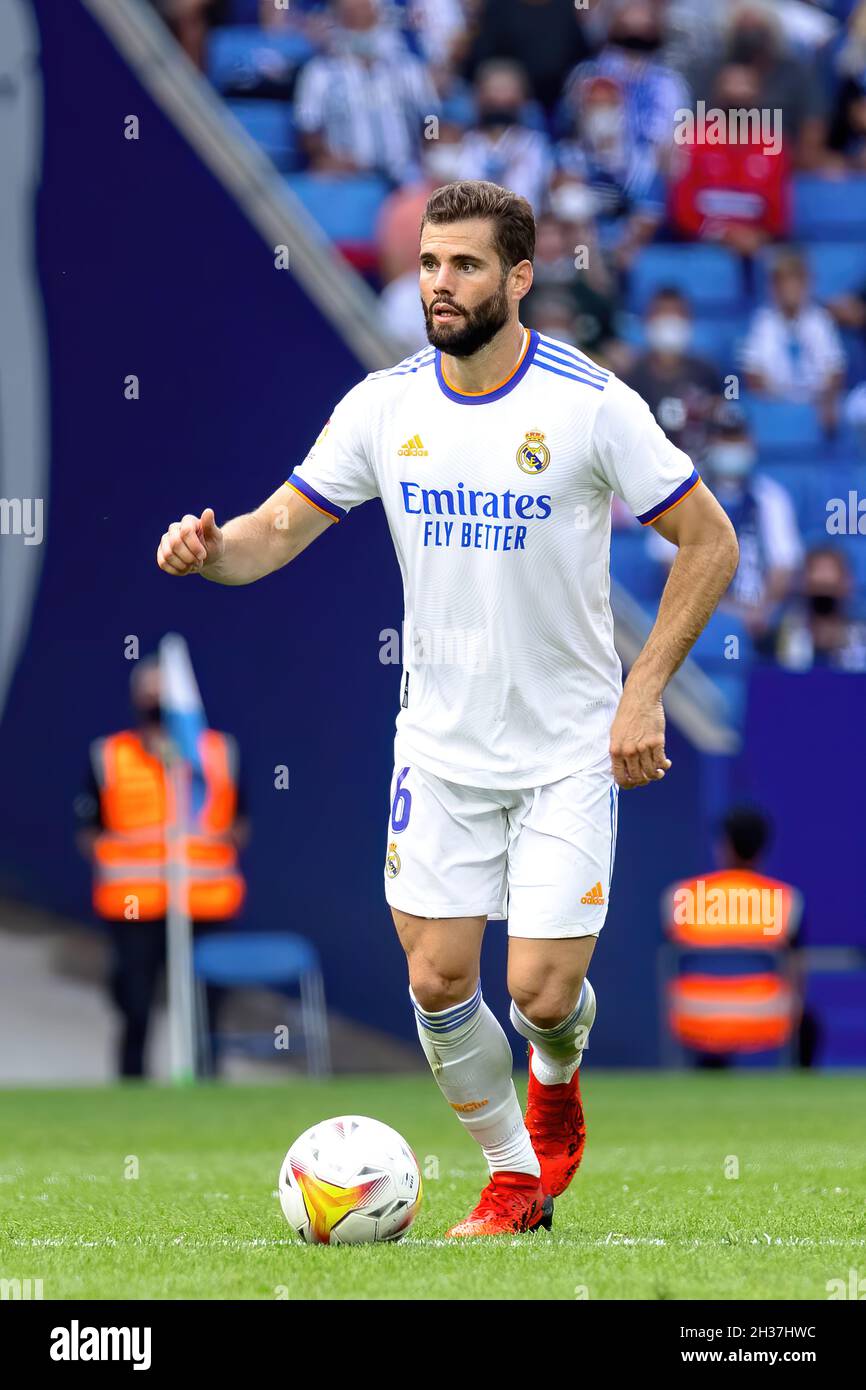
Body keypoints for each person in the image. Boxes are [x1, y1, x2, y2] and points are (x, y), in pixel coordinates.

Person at [156, 179, 738, 1237]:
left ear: (518, 278)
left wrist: (642, 689)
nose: (439, 283)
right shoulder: (384, 406)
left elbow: (710, 541)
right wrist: (210, 551)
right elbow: (273, 531)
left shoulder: (589, 404)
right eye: (428, 263)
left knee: (542, 995)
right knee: (434, 979)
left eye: (463, 265)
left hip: (567, 745)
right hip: (438, 746)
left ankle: (554, 1076)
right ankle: (514, 1178)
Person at [76, 658, 249, 1078]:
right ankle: (133, 1090)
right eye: (149, 692)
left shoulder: (216, 753)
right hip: (134, 906)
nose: (156, 701)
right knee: (134, 1005)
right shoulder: (109, 756)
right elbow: (89, 828)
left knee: (206, 1009)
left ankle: (207, 1089)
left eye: (164, 692)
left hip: (204, 903)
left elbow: (239, 822)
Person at [646, 403, 803, 643]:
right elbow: (669, 563)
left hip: (758, 620)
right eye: (723, 439)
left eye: (736, 438)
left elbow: (783, 565)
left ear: (750, 443)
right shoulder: (680, 493)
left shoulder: (771, 498)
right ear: (709, 443)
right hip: (696, 615)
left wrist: (762, 610)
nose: (730, 446)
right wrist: (726, 613)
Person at [293, 0, 438, 183]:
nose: (359, 25)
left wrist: (430, 150)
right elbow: (308, 130)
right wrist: (328, 157)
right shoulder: (318, 72)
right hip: (349, 178)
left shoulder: (409, 68)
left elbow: (431, 118)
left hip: (406, 178)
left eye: (365, 16)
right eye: (350, 17)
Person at [741, 249, 846, 430]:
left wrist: (826, 398)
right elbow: (752, 371)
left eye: (796, 283)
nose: (790, 290)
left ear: (807, 285)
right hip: (774, 401)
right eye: (784, 283)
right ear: (773, 288)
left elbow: (835, 369)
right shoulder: (762, 322)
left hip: (816, 400)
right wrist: (776, 403)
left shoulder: (821, 320)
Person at [625, 287, 723, 463]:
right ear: (648, 320)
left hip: (699, 470)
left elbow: (722, 425)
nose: (670, 320)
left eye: (677, 313)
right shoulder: (630, 377)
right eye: (662, 313)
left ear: (689, 321)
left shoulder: (707, 373)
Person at [775, 546, 866, 672]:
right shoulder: (782, 638)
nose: (823, 589)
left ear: (846, 584)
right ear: (803, 584)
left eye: (829, 586)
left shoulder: (860, 638)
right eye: (817, 584)